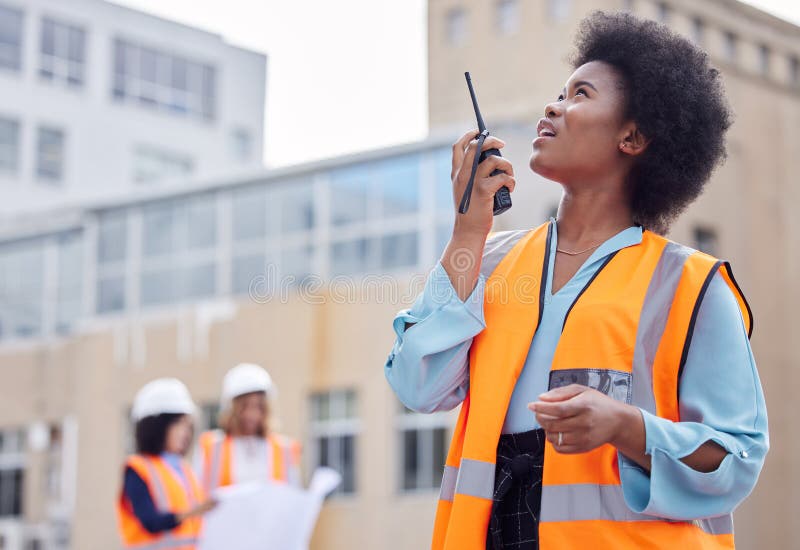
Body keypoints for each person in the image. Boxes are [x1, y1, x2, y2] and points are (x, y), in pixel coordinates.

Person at [385, 11, 768, 550]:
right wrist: (468, 229)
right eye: (558, 93)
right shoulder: (488, 258)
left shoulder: (692, 286)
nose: (553, 106)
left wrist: (626, 426)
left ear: (632, 136)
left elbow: (738, 460)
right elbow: (416, 387)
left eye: (578, 95)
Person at [117, 378, 216, 550]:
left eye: (188, 425)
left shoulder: (185, 471)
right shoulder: (137, 469)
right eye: (178, 424)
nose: (185, 433)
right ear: (156, 426)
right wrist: (191, 513)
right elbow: (150, 521)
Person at [196, 363, 301, 492]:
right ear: (231, 409)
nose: (251, 414)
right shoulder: (212, 447)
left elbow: (293, 494)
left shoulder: (284, 448)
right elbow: (198, 496)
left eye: (258, 406)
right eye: (244, 407)